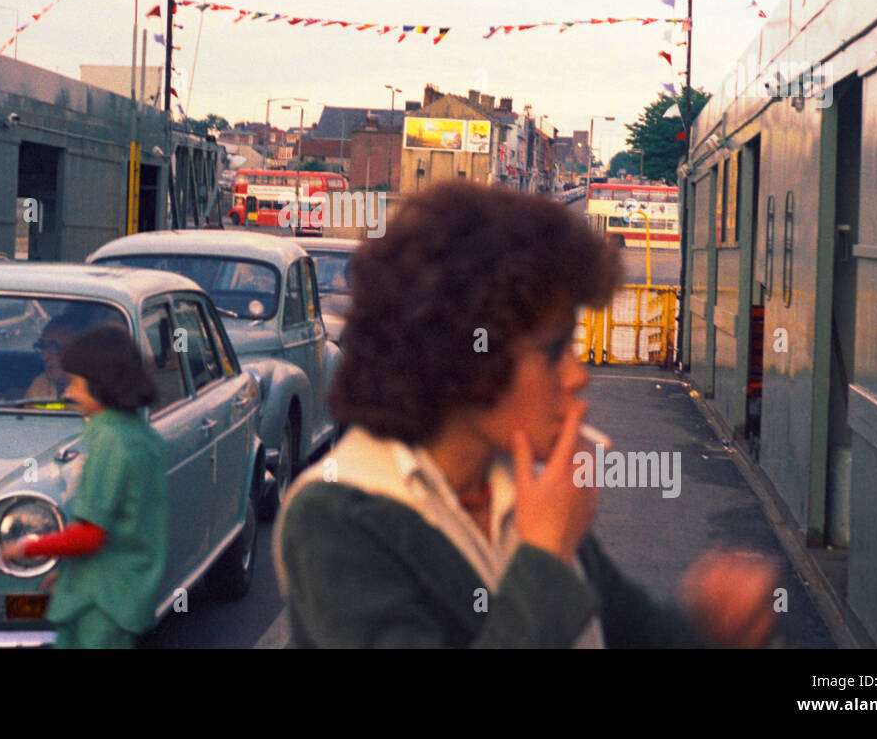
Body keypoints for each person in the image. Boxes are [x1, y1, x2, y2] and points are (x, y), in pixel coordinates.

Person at [275, 180, 779, 648]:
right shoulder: (335, 519)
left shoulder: (513, 488)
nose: (578, 374)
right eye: (554, 348)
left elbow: (633, 632)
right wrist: (544, 558)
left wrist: (713, 625)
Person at [0, 325, 167, 649]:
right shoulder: (141, 435)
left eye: (76, 383)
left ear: (100, 383)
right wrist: (73, 574)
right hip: (121, 591)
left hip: (101, 604)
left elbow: (91, 535)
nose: (68, 393)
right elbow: (126, 527)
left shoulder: (107, 438)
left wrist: (27, 546)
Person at [23, 311, 89, 401]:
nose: (44, 357)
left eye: (54, 348)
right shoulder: (40, 385)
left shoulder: (98, 391)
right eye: (43, 347)